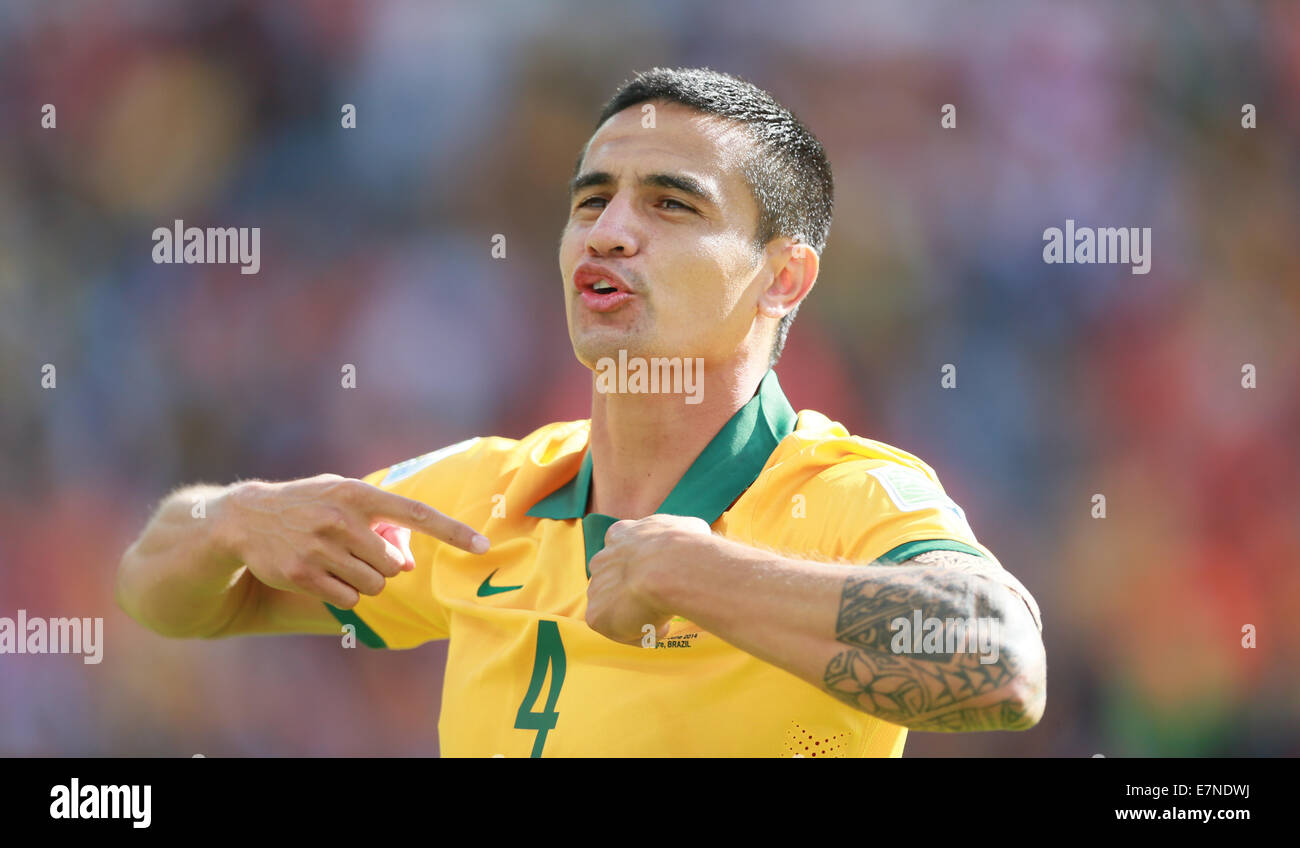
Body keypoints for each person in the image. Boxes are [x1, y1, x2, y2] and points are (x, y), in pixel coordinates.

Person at [117, 67, 1045, 757]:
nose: (608, 230)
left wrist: (701, 575)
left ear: (782, 276)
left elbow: (1002, 665)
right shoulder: (483, 493)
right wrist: (230, 517)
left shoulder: (840, 494)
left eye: (672, 204)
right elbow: (166, 594)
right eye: (591, 199)